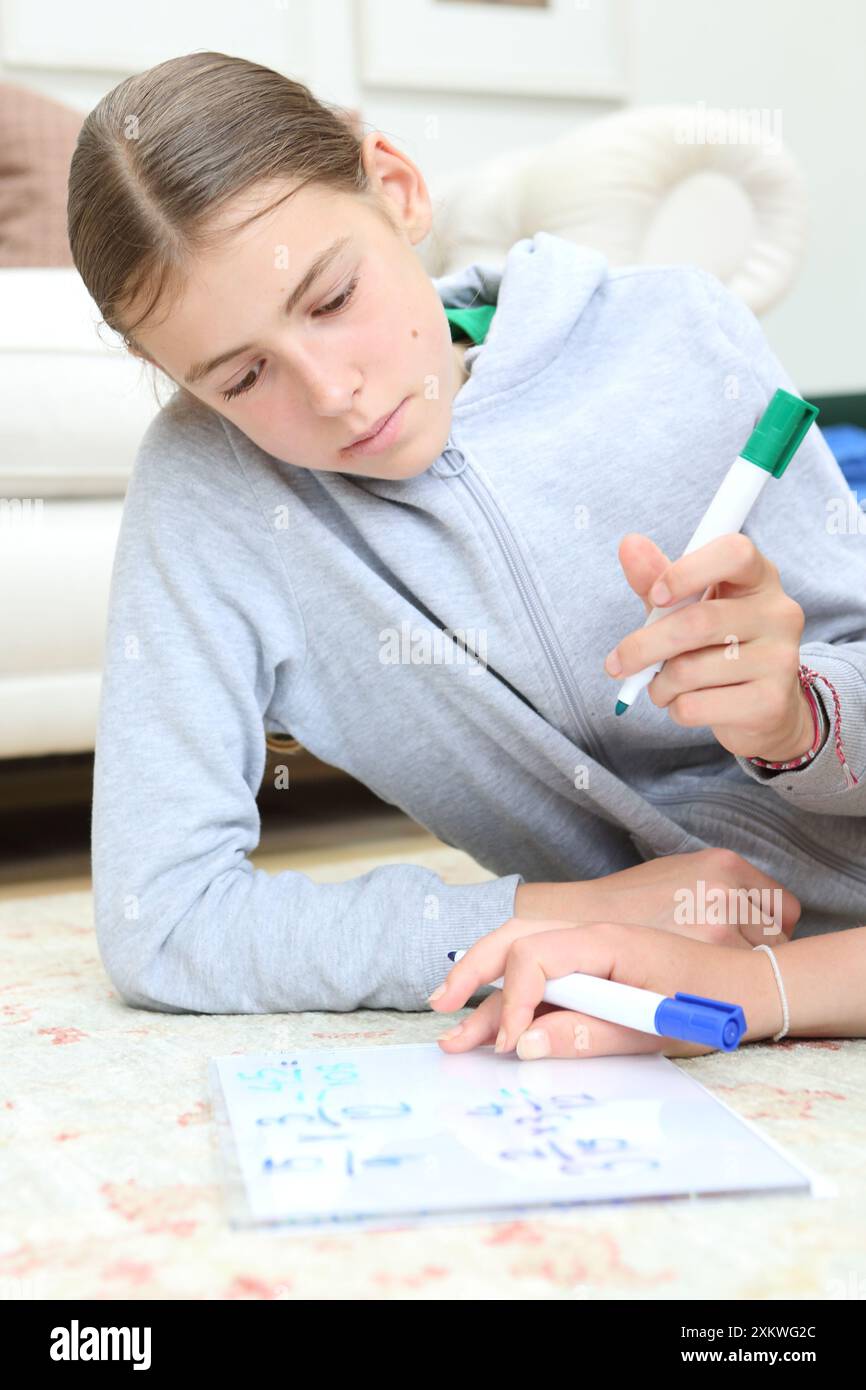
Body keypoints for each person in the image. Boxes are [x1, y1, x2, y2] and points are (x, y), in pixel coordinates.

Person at [68, 52, 866, 1053]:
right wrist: (557, 911)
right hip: (693, 982)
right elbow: (164, 918)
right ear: (167, 371)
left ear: (396, 189)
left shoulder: (671, 326)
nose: (330, 393)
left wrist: (799, 719)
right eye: (241, 376)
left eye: (330, 300)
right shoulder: (209, 494)